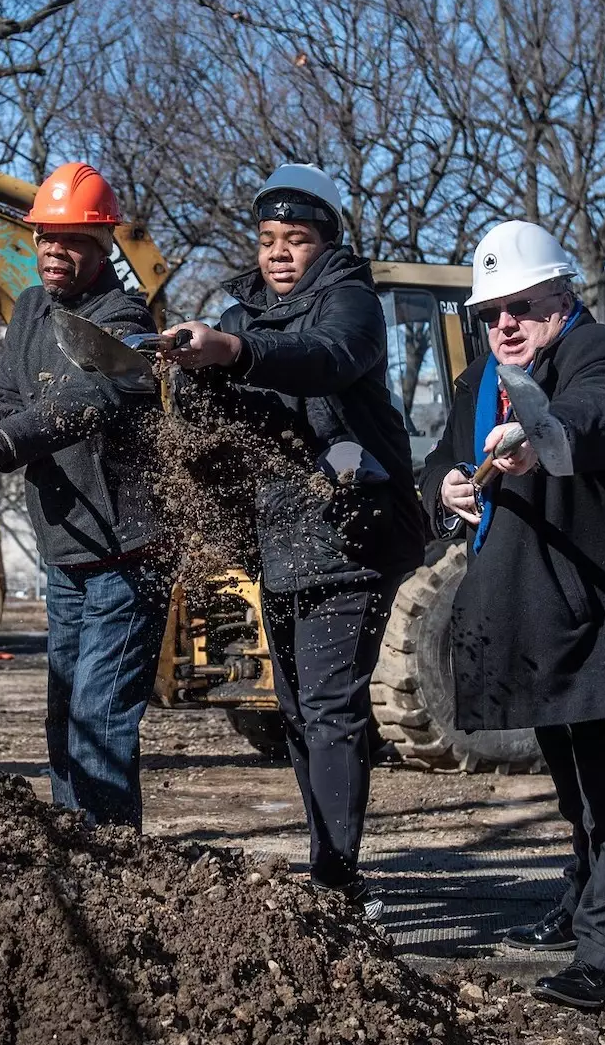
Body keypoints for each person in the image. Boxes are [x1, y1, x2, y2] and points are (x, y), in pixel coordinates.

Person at [421, 220, 605, 1013]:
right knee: (582, 793)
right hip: (550, 623)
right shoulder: (479, 380)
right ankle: (588, 908)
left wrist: (544, 433)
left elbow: (602, 413)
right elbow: (441, 459)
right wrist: (445, 485)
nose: (504, 324)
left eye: (522, 305)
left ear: (564, 296)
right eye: (491, 313)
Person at [160, 164, 427, 919]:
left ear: (325, 243)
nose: (279, 253)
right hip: (279, 538)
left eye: (296, 239)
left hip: (353, 530)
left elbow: (327, 360)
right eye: (268, 239)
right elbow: (220, 405)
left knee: (334, 703)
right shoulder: (241, 310)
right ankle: (327, 865)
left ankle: (339, 879)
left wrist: (233, 354)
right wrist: (191, 373)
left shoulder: (350, 301)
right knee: (300, 707)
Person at [0, 162, 169, 828]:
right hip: (67, 554)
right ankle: (78, 849)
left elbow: (85, 400)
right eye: (45, 236)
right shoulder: (32, 309)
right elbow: (9, 398)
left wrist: (1, 446)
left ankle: (116, 875)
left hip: (129, 559)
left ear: (103, 245)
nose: (52, 251)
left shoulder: (125, 320)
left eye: (70, 239)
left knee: (98, 720)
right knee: (64, 717)